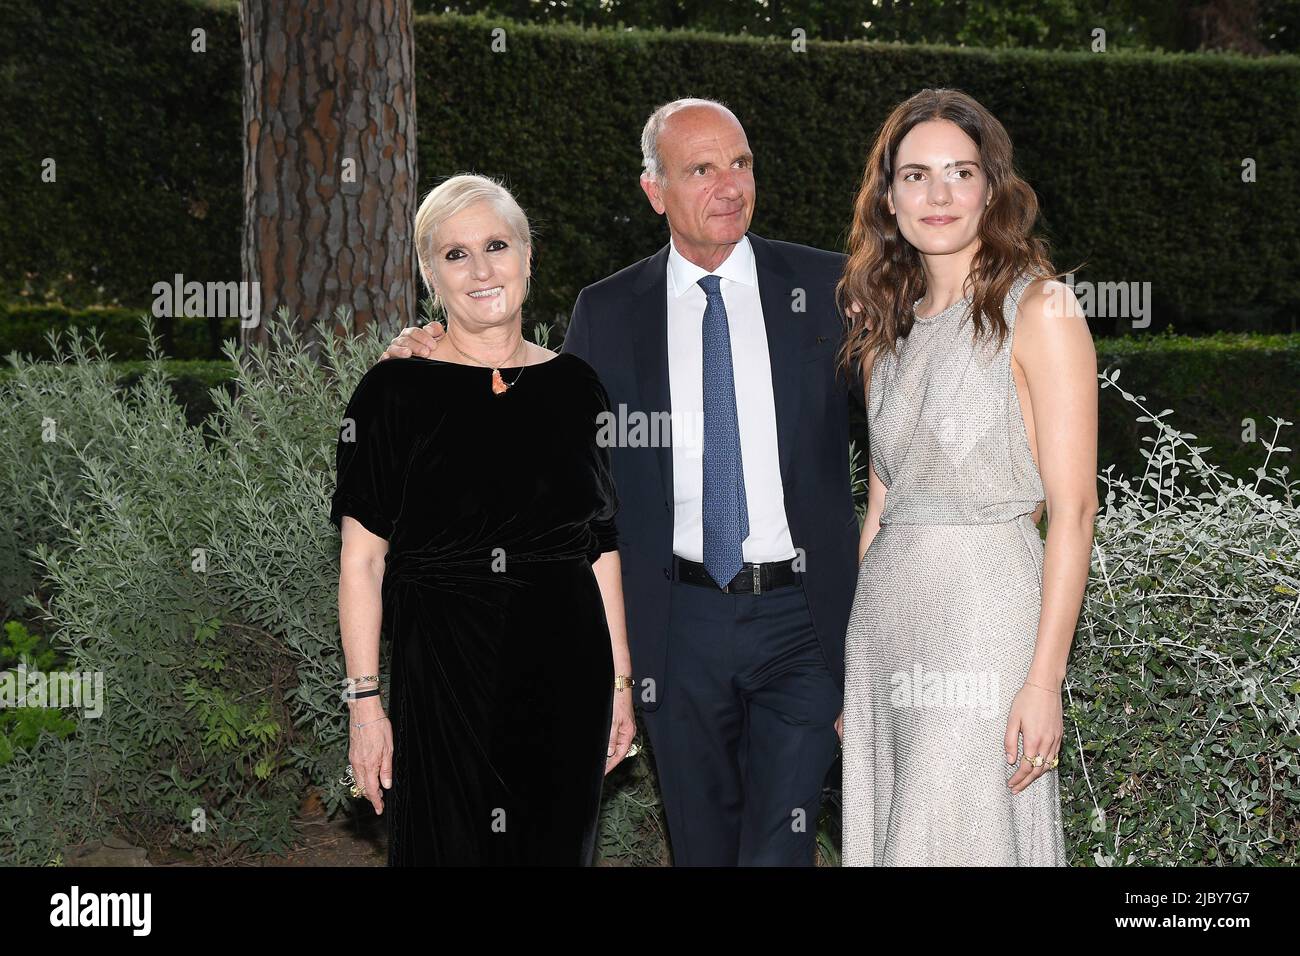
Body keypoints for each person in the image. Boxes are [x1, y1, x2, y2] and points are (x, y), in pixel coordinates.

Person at [380, 100, 858, 866]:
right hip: (674, 624)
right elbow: (537, 440)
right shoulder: (608, 312)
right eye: (702, 169)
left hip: (800, 623)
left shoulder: (829, 287)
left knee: (779, 843)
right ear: (654, 190)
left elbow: (916, 383)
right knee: (703, 848)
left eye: (740, 163)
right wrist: (434, 363)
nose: (730, 184)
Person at [331, 173, 636, 866]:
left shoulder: (576, 386)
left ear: (528, 256)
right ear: (429, 275)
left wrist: (621, 683)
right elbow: (362, 560)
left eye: (496, 244)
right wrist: (365, 705)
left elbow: (600, 544)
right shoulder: (393, 390)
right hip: (442, 669)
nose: (481, 269)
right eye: (455, 254)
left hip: (568, 666)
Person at [837, 88, 1097, 865]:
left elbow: (1075, 510)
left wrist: (1044, 680)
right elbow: (882, 502)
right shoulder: (887, 325)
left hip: (986, 611)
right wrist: (860, 658)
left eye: (961, 172)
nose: (939, 194)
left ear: (993, 187)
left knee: (951, 830)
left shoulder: (1042, 309)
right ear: (889, 197)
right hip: (889, 617)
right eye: (916, 176)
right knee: (898, 834)